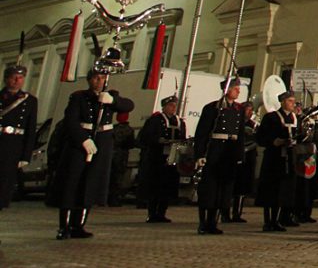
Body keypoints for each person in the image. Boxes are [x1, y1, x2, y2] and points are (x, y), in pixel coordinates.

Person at [49, 61, 132, 238]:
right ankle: (64, 227)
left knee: (90, 183)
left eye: (102, 78)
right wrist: (83, 140)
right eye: (95, 78)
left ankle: (79, 225)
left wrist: (113, 100)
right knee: (72, 183)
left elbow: (128, 105)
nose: (99, 81)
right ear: (89, 80)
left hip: (102, 141)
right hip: (80, 143)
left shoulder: (110, 96)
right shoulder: (78, 97)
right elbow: (70, 121)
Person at [193, 76, 243, 235]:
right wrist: (199, 154)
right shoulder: (212, 108)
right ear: (227, 89)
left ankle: (213, 221)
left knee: (222, 189)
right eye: (235, 88)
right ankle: (203, 222)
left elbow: (240, 134)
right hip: (215, 150)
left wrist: (239, 154)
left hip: (229, 152)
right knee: (209, 188)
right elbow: (202, 133)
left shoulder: (238, 110)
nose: (238, 91)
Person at [255, 87, 302, 231]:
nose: (293, 104)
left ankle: (278, 219)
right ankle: (268, 221)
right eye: (289, 101)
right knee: (271, 190)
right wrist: (274, 141)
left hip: (289, 157)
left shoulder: (295, 118)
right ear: (282, 102)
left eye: (294, 101)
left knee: (284, 190)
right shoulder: (271, 117)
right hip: (274, 158)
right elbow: (260, 137)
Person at [136, 94, 184, 223]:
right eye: (170, 105)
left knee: (167, 187)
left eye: (174, 106)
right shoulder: (155, 120)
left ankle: (162, 212)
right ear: (164, 107)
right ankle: (152, 213)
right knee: (154, 186)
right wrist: (158, 140)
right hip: (156, 159)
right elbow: (144, 137)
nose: (173, 108)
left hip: (172, 158)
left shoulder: (180, 122)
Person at [0, 62, 38, 222]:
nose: (17, 81)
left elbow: (30, 130)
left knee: (3, 188)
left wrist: (25, 155)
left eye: (20, 78)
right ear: (6, 79)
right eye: (14, 77)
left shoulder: (29, 101)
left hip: (13, 147)